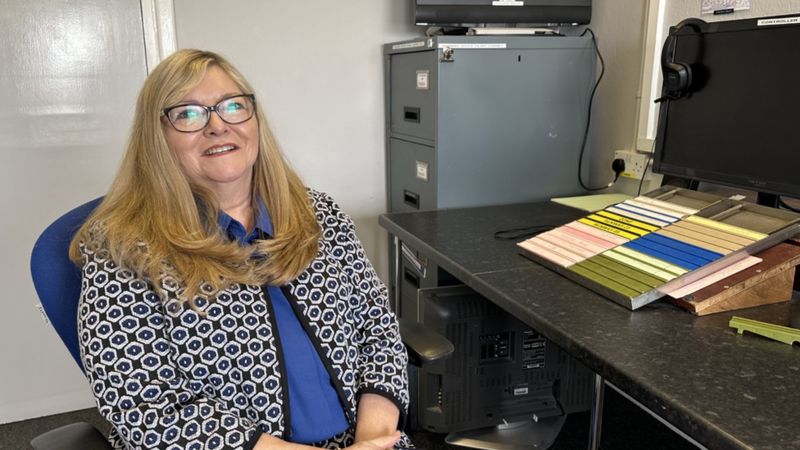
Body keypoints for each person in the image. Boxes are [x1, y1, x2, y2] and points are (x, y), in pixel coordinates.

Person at [69, 49, 411, 450]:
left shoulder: (317, 213)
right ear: (156, 136)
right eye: (189, 114)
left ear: (254, 120)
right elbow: (146, 409)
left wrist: (374, 438)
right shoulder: (122, 246)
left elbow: (376, 327)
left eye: (233, 106)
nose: (218, 126)